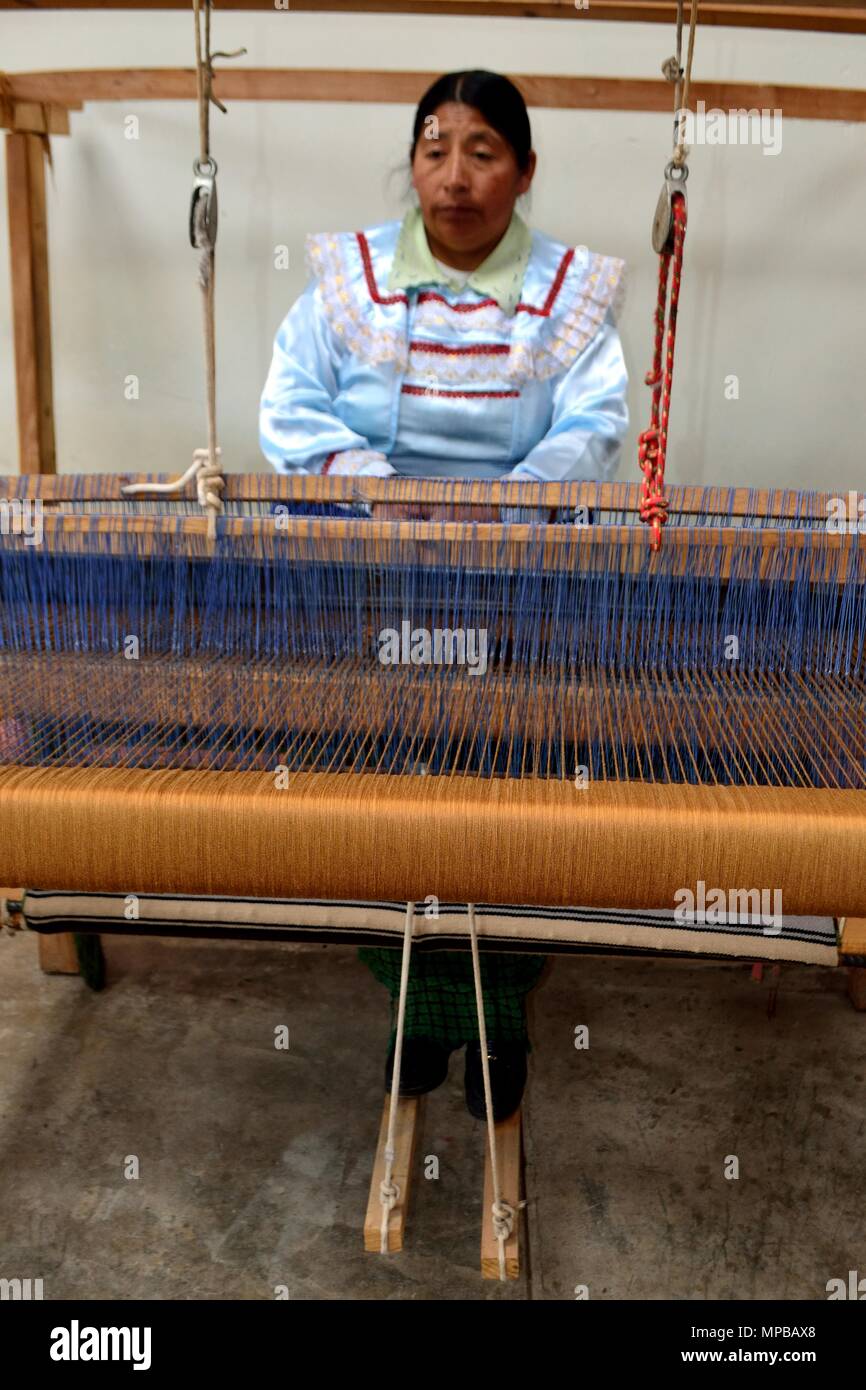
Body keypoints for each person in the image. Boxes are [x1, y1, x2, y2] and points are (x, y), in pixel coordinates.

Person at [259, 69, 629, 1121]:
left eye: (481, 151)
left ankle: (498, 1023)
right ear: (411, 162)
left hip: (516, 585)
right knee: (384, 801)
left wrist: (501, 510)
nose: (454, 176)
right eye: (433, 148)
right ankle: (416, 1013)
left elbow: (591, 427)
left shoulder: (569, 297)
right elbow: (289, 407)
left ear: (522, 171)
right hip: (367, 582)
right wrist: (378, 497)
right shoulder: (347, 282)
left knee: (503, 799)